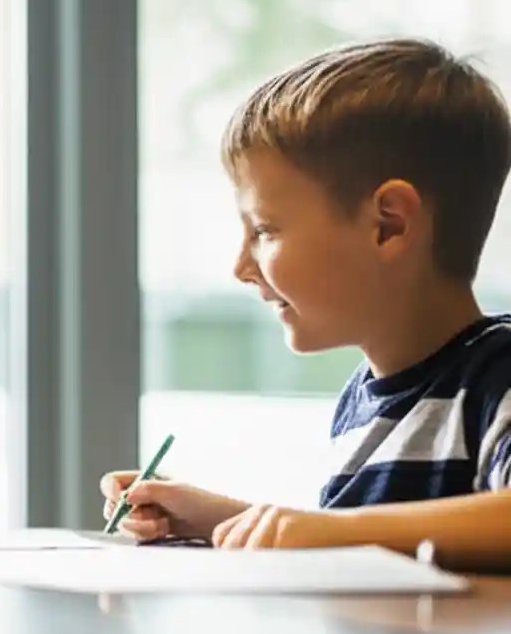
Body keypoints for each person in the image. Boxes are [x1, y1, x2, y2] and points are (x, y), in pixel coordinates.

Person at [101, 39, 511, 570]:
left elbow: (353, 536)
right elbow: (361, 544)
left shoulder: (496, 377)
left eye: (265, 230)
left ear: (389, 225)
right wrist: (211, 518)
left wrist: (329, 532)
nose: (241, 267)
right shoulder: (362, 403)